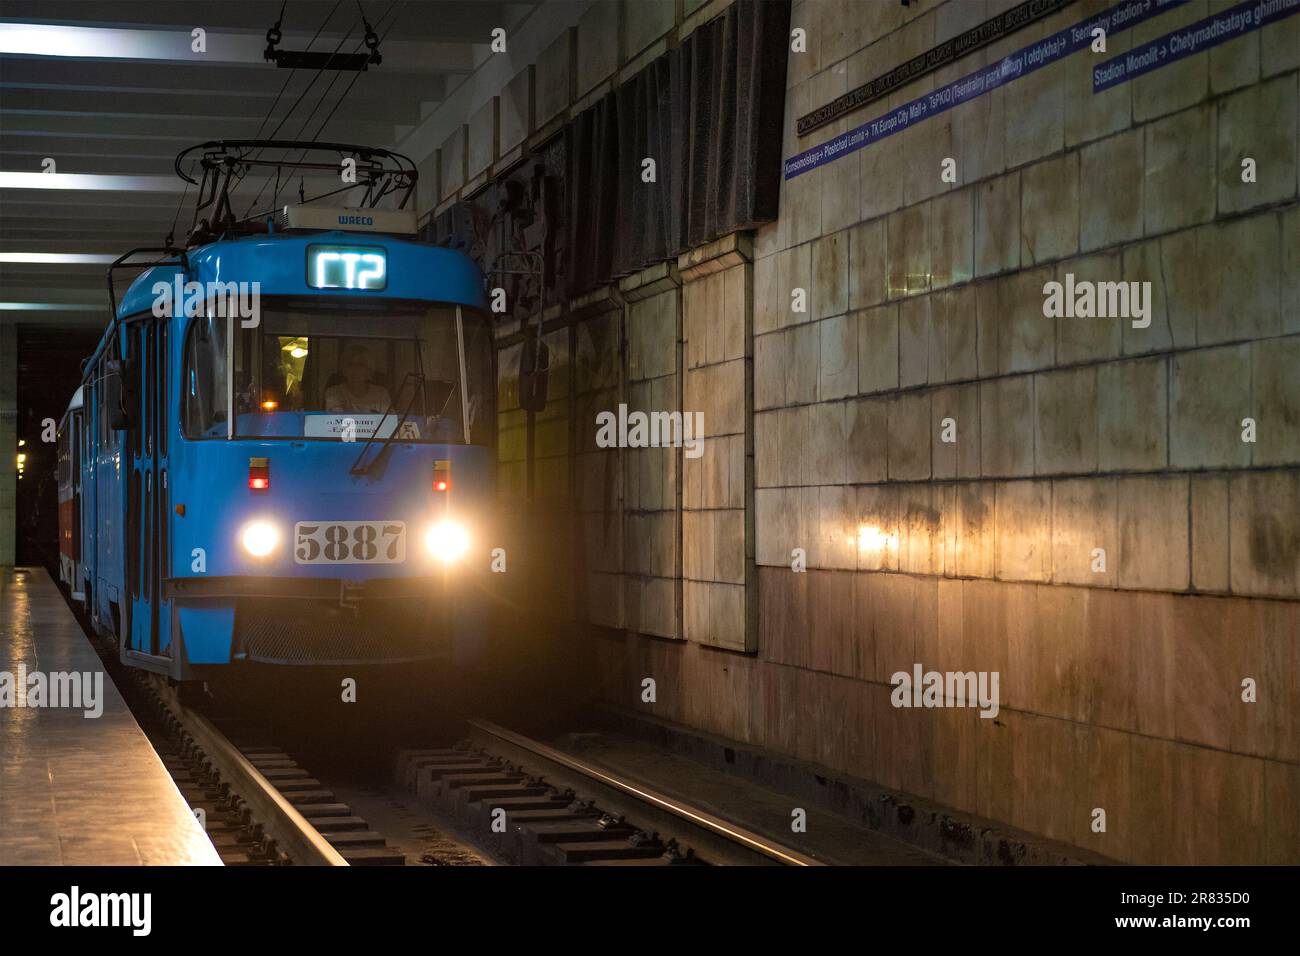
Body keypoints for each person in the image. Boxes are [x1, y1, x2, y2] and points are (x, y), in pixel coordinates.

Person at [325, 343, 392, 413]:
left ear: (369, 370)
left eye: (360, 365)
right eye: (351, 364)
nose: (355, 369)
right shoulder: (334, 392)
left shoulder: (381, 393)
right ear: (344, 369)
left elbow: (389, 421)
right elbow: (338, 419)